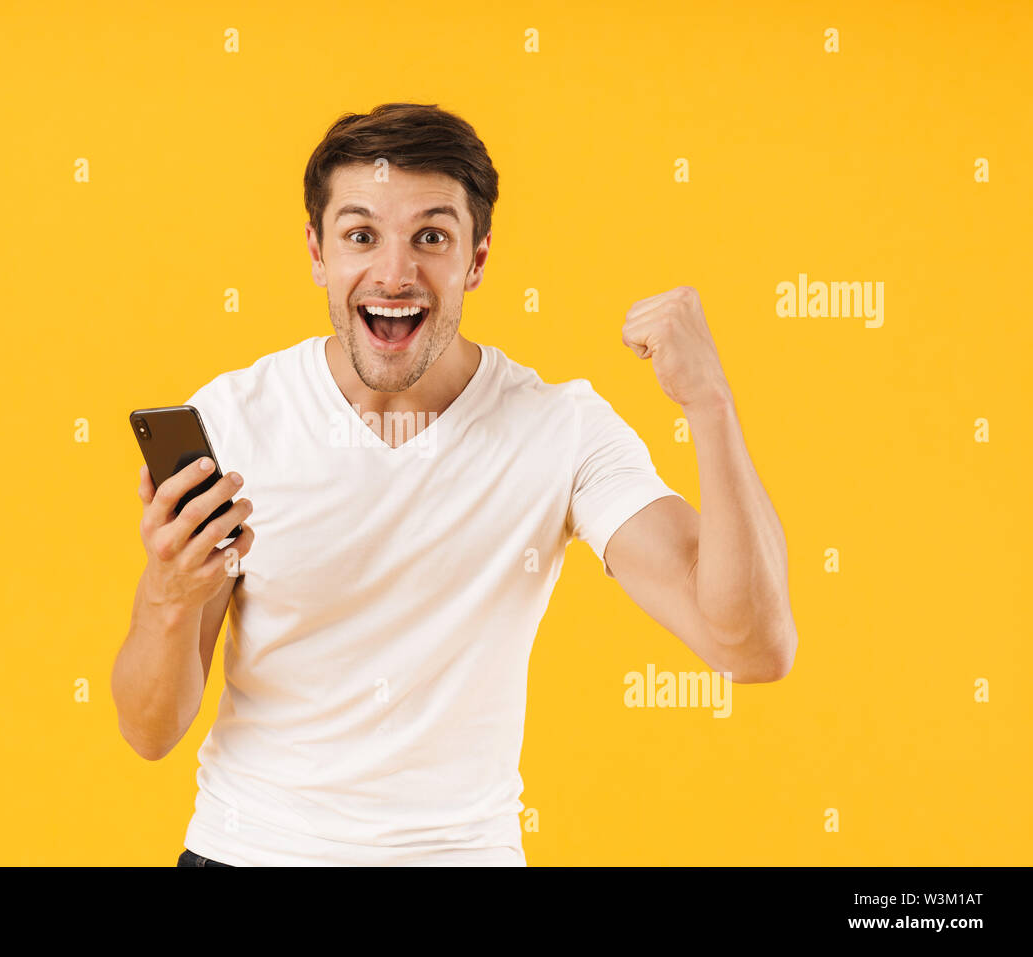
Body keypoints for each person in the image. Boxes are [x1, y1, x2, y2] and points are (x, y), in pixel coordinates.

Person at [111, 102, 798, 866]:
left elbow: (752, 647)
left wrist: (711, 406)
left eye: (431, 237)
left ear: (476, 259)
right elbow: (149, 731)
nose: (395, 272)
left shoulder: (559, 427)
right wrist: (169, 598)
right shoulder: (236, 419)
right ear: (317, 252)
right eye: (361, 235)